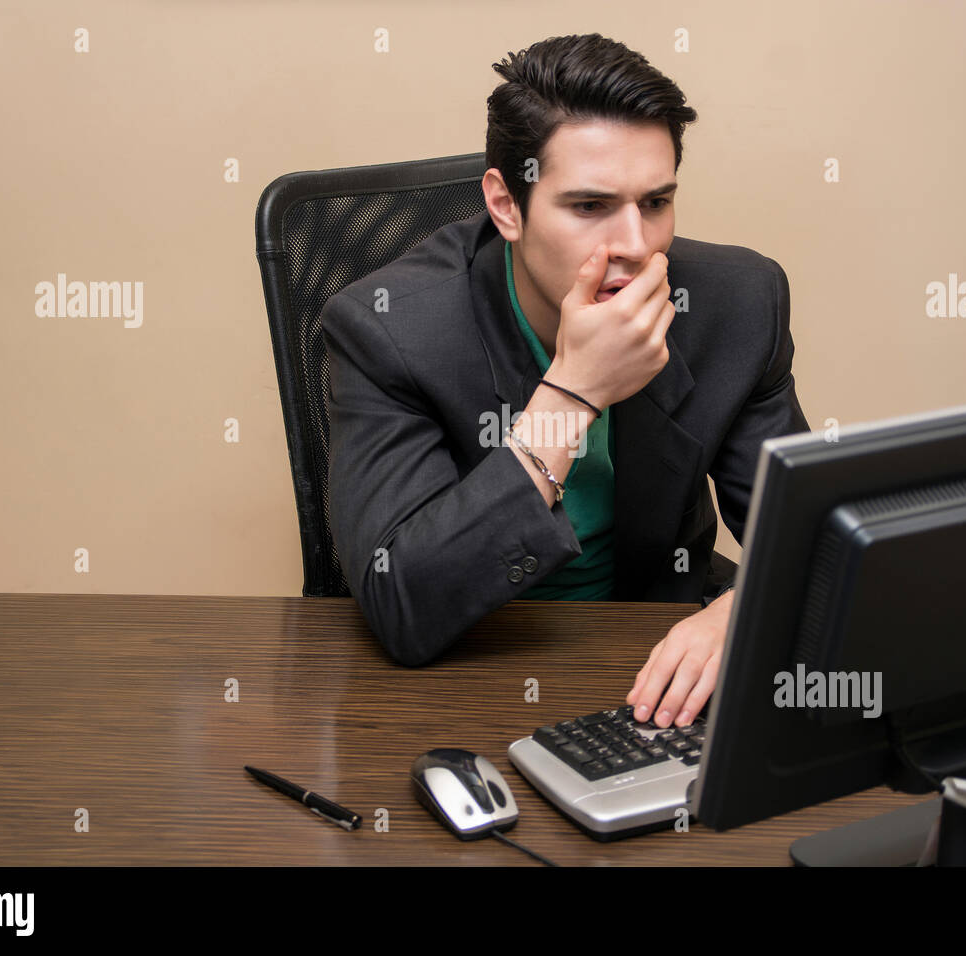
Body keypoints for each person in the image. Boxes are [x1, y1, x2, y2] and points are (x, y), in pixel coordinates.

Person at [321, 34, 808, 729]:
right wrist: (573, 393)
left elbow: (805, 537)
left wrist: (747, 606)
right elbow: (404, 602)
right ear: (506, 205)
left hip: (652, 661)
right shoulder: (389, 331)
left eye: (657, 202)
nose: (637, 247)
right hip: (466, 667)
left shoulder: (737, 303)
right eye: (589, 207)